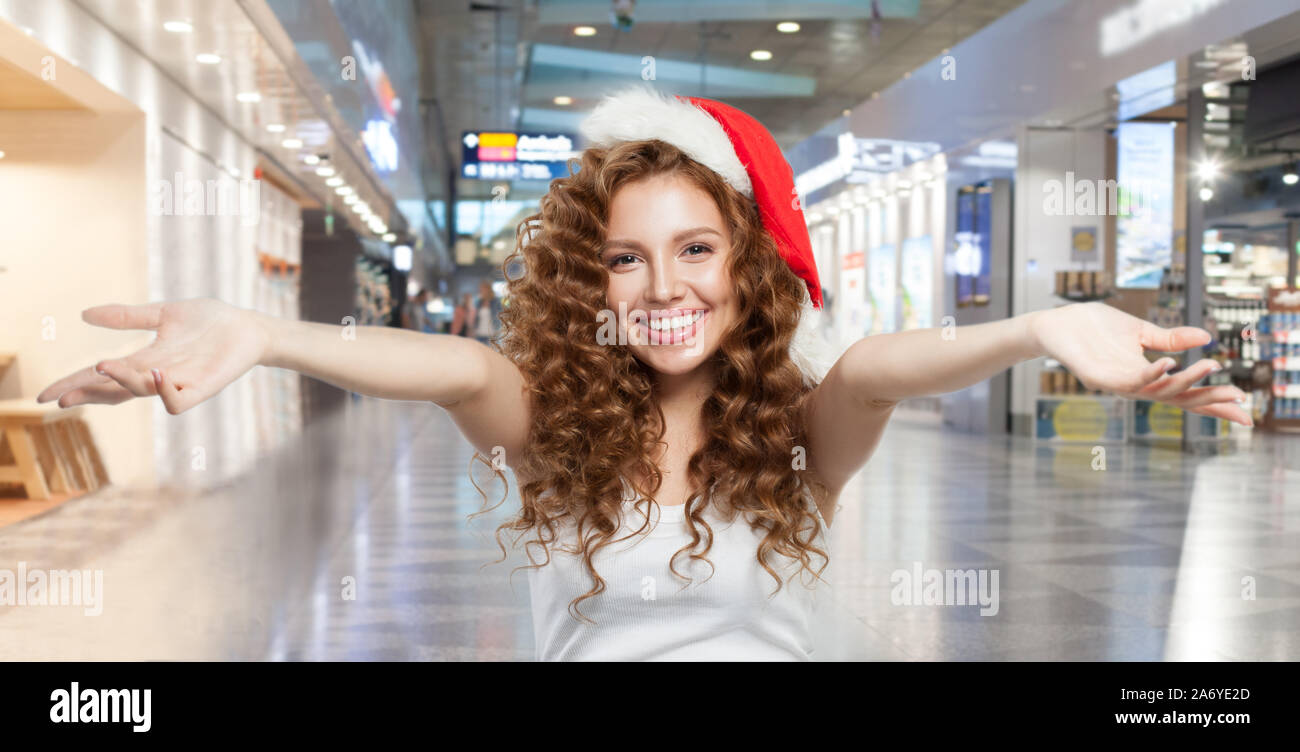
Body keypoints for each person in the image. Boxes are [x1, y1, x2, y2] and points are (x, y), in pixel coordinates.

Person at [35, 88, 1249, 661]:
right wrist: (265, 333)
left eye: (696, 249)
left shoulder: (795, 435)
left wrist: (1041, 326)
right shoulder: (549, 426)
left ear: (745, 266)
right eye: (626, 256)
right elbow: (453, 366)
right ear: (591, 281)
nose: (663, 286)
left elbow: (879, 366)